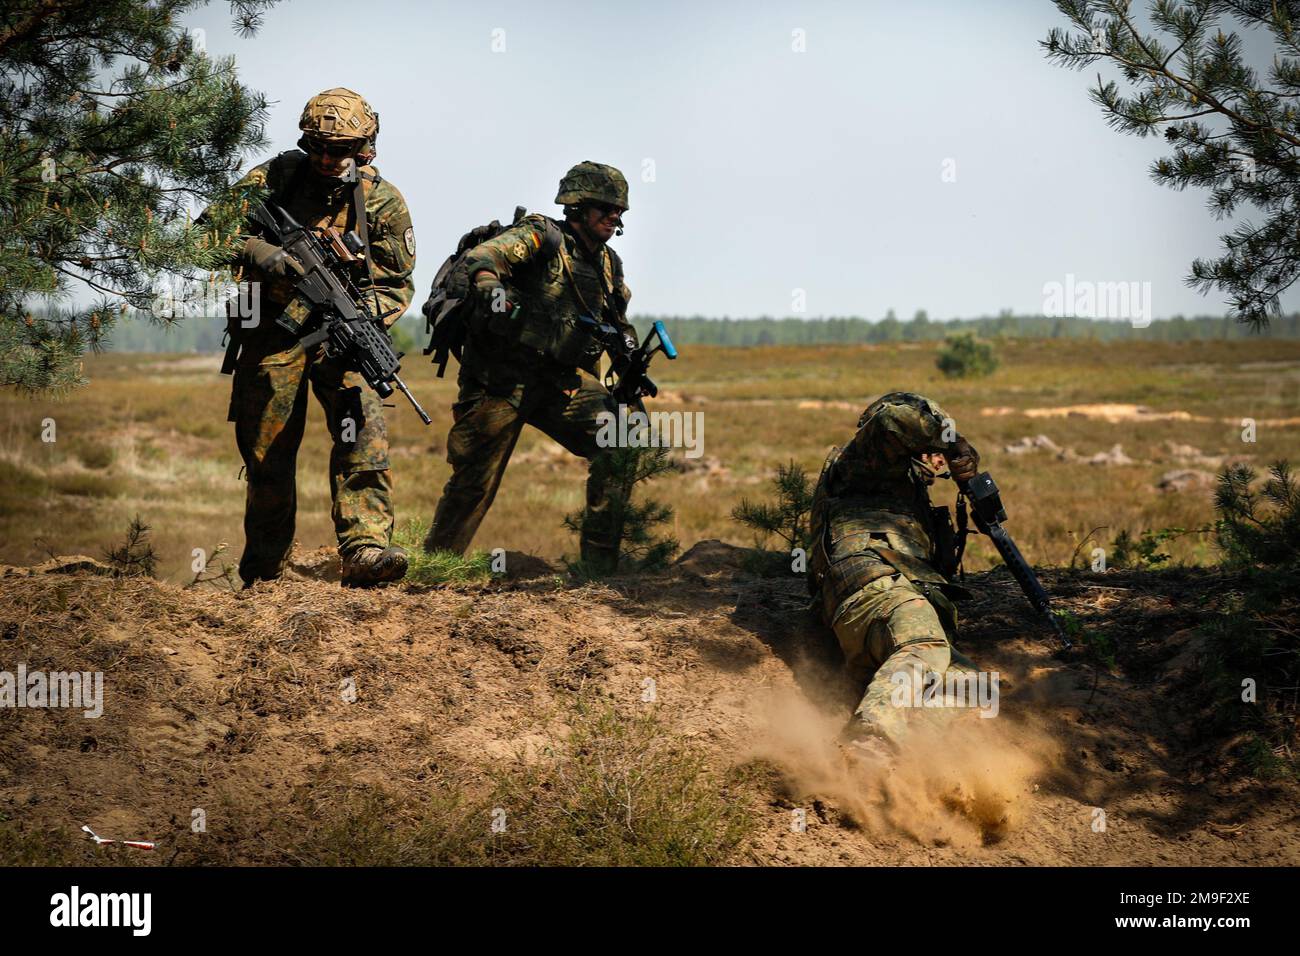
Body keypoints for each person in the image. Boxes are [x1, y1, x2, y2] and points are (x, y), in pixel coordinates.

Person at [220, 87, 416, 587]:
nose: (328, 159)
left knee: (363, 438)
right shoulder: (277, 176)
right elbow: (209, 233)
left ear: (365, 148)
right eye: (319, 147)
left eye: (342, 150)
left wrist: (361, 321)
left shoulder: (384, 202)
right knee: (267, 456)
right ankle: (264, 573)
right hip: (272, 332)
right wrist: (257, 252)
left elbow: (397, 285)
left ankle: (365, 551)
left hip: (344, 335)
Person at [423, 161, 637, 573]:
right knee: (473, 484)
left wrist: (628, 359)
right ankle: (433, 572)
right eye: (604, 208)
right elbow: (485, 257)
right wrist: (489, 284)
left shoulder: (609, 264)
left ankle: (599, 570)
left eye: (619, 212)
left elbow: (616, 321)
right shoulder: (542, 236)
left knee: (621, 444)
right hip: (498, 381)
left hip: (560, 383)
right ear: (576, 207)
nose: (614, 217)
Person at [807, 391, 983, 753]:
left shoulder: (900, 486)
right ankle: (871, 742)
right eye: (928, 450)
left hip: (875, 616)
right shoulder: (864, 465)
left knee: (971, 684)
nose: (936, 461)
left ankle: (913, 759)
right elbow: (891, 421)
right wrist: (955, 442)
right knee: (924, 647)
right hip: (874, 584)